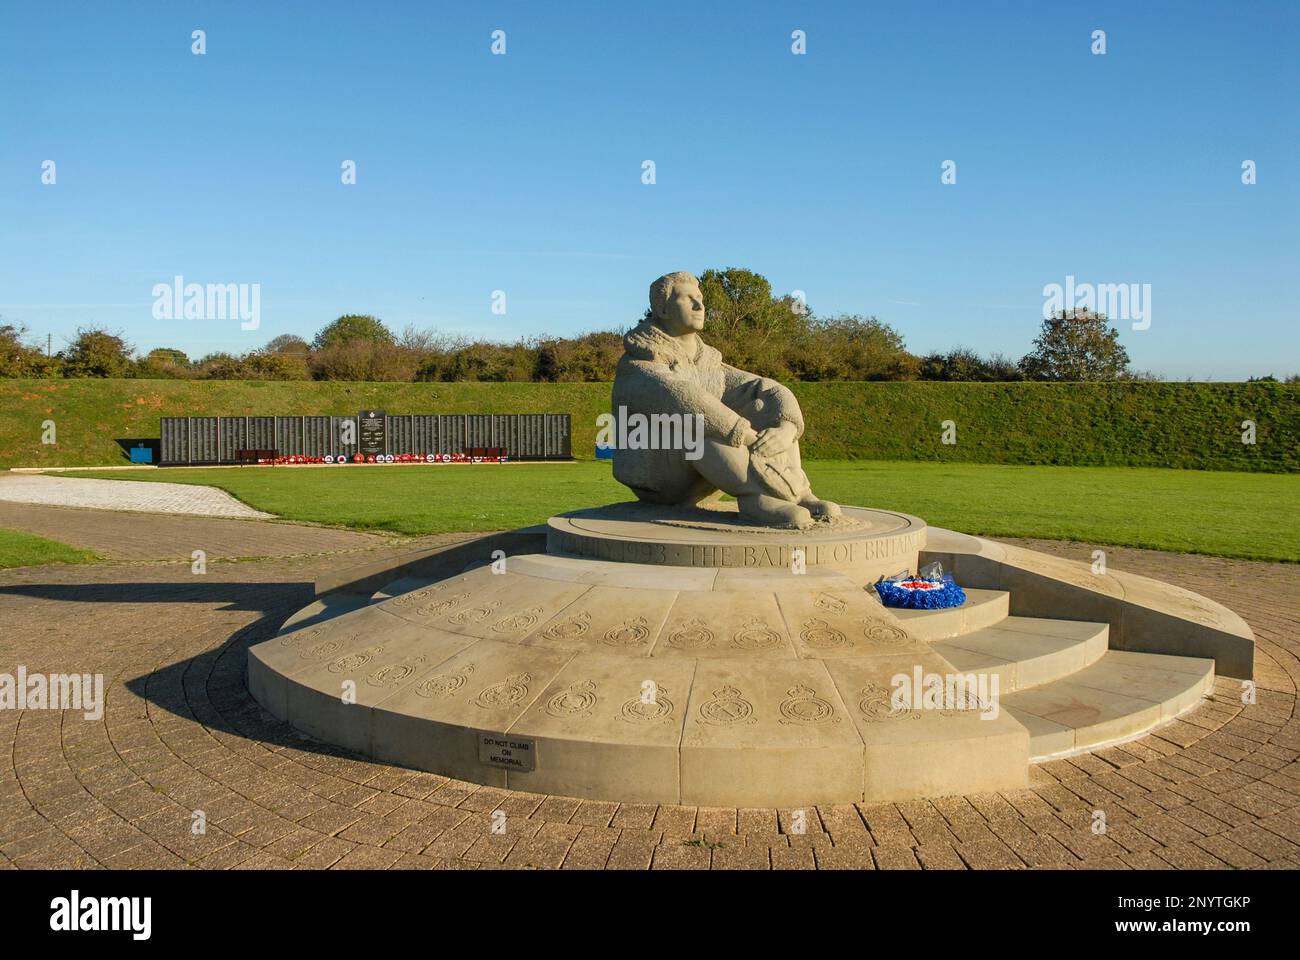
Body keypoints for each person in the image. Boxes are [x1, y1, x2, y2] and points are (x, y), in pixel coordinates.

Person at [611, 271, 840, 529]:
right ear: (662, 309)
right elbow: (683, 397)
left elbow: (762, 387)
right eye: (689, 299)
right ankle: (757, 499)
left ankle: (801, 494)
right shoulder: (638, 362)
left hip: (702, 474)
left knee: (763, 405)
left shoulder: (708, 361)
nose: (700, 306)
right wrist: (749, 436)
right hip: (659, 476)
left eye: (700, 299)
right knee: (695, 426)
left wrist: (787, 429)